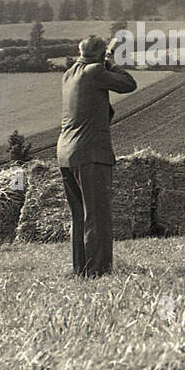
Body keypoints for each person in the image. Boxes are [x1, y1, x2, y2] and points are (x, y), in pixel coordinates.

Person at [56, 35, 137, 276]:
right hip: (90, 153)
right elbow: (128, 84)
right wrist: (111, 62)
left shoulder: (69, 74)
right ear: (101, 55)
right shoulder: (94, 72)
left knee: (80, 216)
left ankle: (81, 270)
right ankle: (99, 272)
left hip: (66, 154)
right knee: (98, 217)